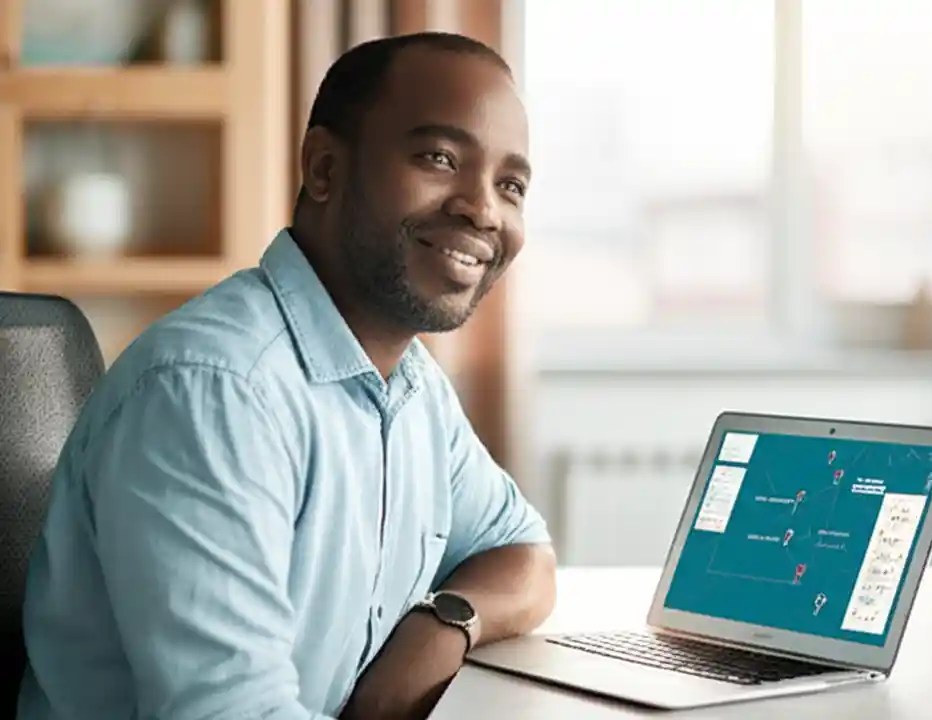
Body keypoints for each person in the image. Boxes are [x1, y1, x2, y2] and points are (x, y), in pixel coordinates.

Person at [17, 32, 555, 720]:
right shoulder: (214, 392)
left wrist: (442, 625)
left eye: (510, 186)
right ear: (324, 168)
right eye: (439, 158)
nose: (481, 209)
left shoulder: (412, 387)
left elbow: (524, 556)